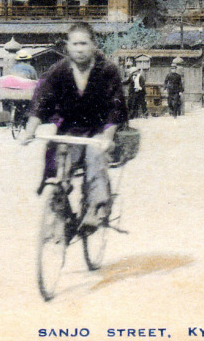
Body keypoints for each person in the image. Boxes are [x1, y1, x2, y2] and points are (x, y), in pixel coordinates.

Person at [21, 22, 128, 231]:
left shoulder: (107, 70)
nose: (79, 49)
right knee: (59, 161)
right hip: (70, 129)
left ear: (93, 45)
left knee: (95, 157)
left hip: (99, 128)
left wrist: (107, 137)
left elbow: (116, 107)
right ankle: (61, 209)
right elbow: (41, 99)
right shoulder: (58, 71)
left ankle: (95, 208)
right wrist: (30, 130)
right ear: (67, 47)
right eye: (75, 44)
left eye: (84, 43)